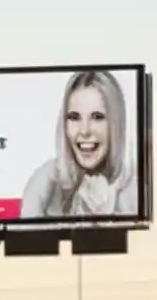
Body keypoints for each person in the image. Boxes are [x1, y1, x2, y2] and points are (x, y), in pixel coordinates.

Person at [20, 70, 138, 218]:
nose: (84, 131)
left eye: (97, 117)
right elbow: (23, 238)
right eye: (74, 117)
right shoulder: (45, 182)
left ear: (116, 123)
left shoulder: (134, 187)